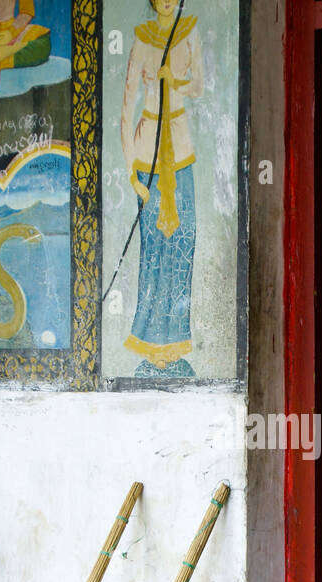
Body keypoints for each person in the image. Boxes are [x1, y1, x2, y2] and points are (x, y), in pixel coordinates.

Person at [121, 0, 203, 375]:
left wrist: (177, 80)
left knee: (183, 242)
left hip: (181, 149)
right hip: (148, 151)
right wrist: (129, 173)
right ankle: (149, 342)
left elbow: (200, 85)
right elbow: (127, 106)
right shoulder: (141, 39)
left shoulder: (189, 33)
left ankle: (176, 343)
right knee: (153, 249)